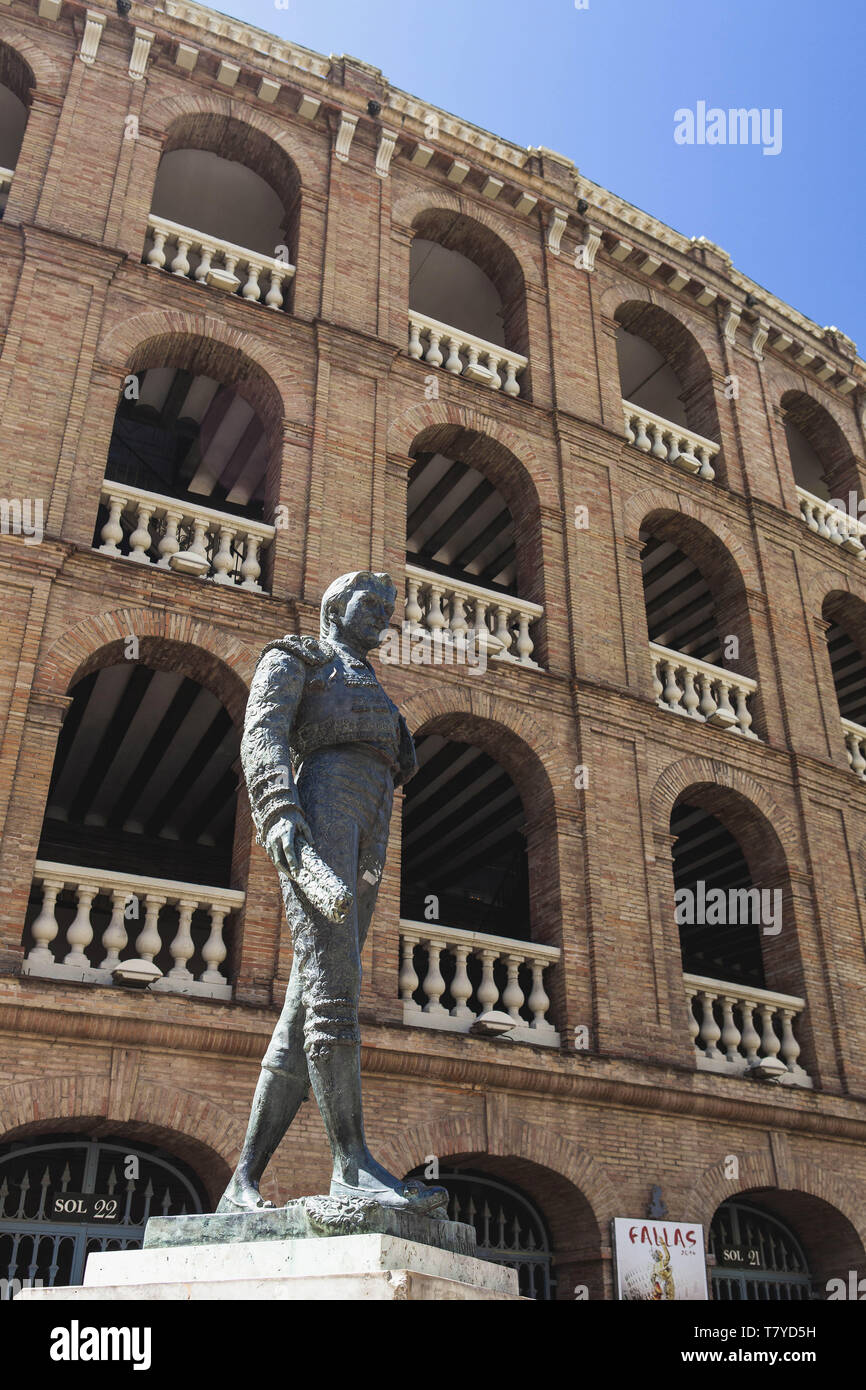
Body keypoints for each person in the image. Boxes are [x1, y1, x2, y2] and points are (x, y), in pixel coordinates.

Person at [218, 571, 447, 1215]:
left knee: (304, 1007)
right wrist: (284, 824)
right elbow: (262, 739)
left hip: (373, 815)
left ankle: (241, 1184)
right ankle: (351, 1164)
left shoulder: (370, 681)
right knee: (333, 990)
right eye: (369, 603)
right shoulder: (298, 657)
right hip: (325, 804)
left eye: (388, 609)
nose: (381, 616)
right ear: (333, 607)